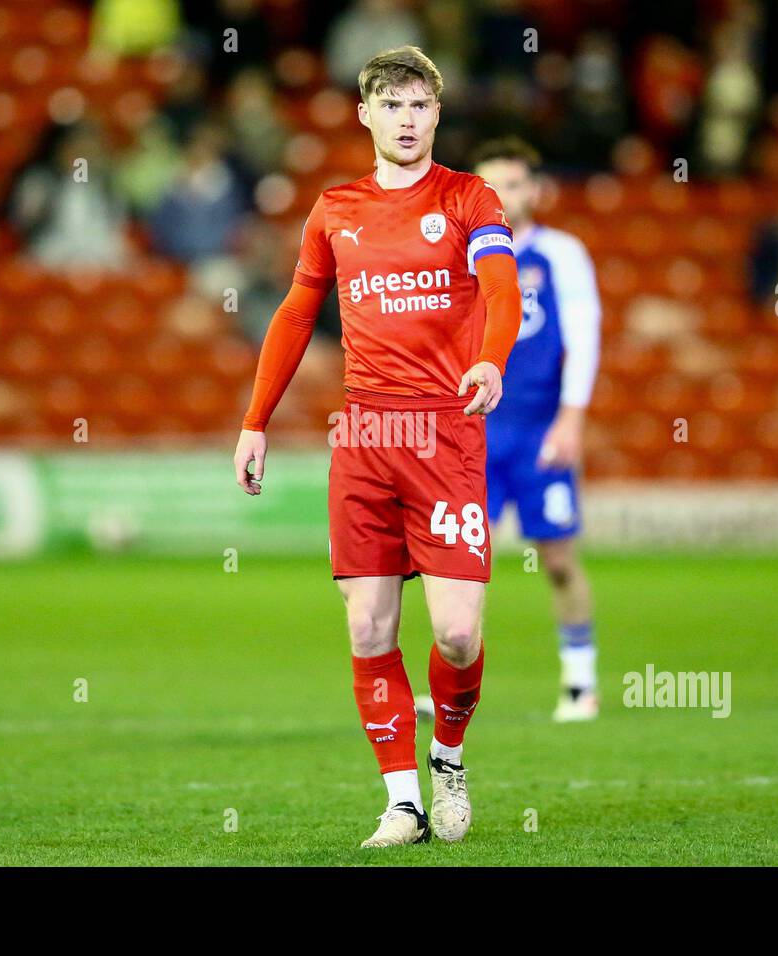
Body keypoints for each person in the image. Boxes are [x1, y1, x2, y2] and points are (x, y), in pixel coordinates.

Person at [232, 46, 522, 848]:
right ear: (365, 115)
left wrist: (491, 359)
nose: (407, 119)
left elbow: (501, 288)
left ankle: (449, 757)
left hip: (446, 433)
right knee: (368, 627)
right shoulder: (335, 209)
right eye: (392, 105)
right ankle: (402, 804)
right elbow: (297, 314)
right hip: (366, 435)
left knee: (457, 633)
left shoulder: (469, 198)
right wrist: (256, 420)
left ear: (438, 114)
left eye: (419, 105)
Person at [469, 136, 603, 721]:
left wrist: (571, 418)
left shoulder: (561, 253)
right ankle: (453, 688)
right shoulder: (458, 255)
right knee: (464, 567)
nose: (503, 195)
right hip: (475, 429)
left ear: (535, 190)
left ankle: (580, 681)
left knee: (559, 560)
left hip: (539, 430)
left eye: (514, 183)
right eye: (490, 184)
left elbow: (583, 336)